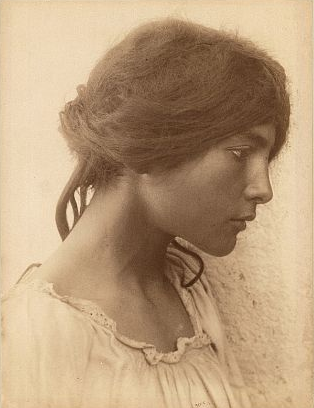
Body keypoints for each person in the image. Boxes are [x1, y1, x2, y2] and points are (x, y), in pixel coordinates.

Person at [2, 18, 290, 408]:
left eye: (266, 159)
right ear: (151, 145)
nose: (263, 190)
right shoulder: (30, 338)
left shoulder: (188, 289)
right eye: (239, 154)